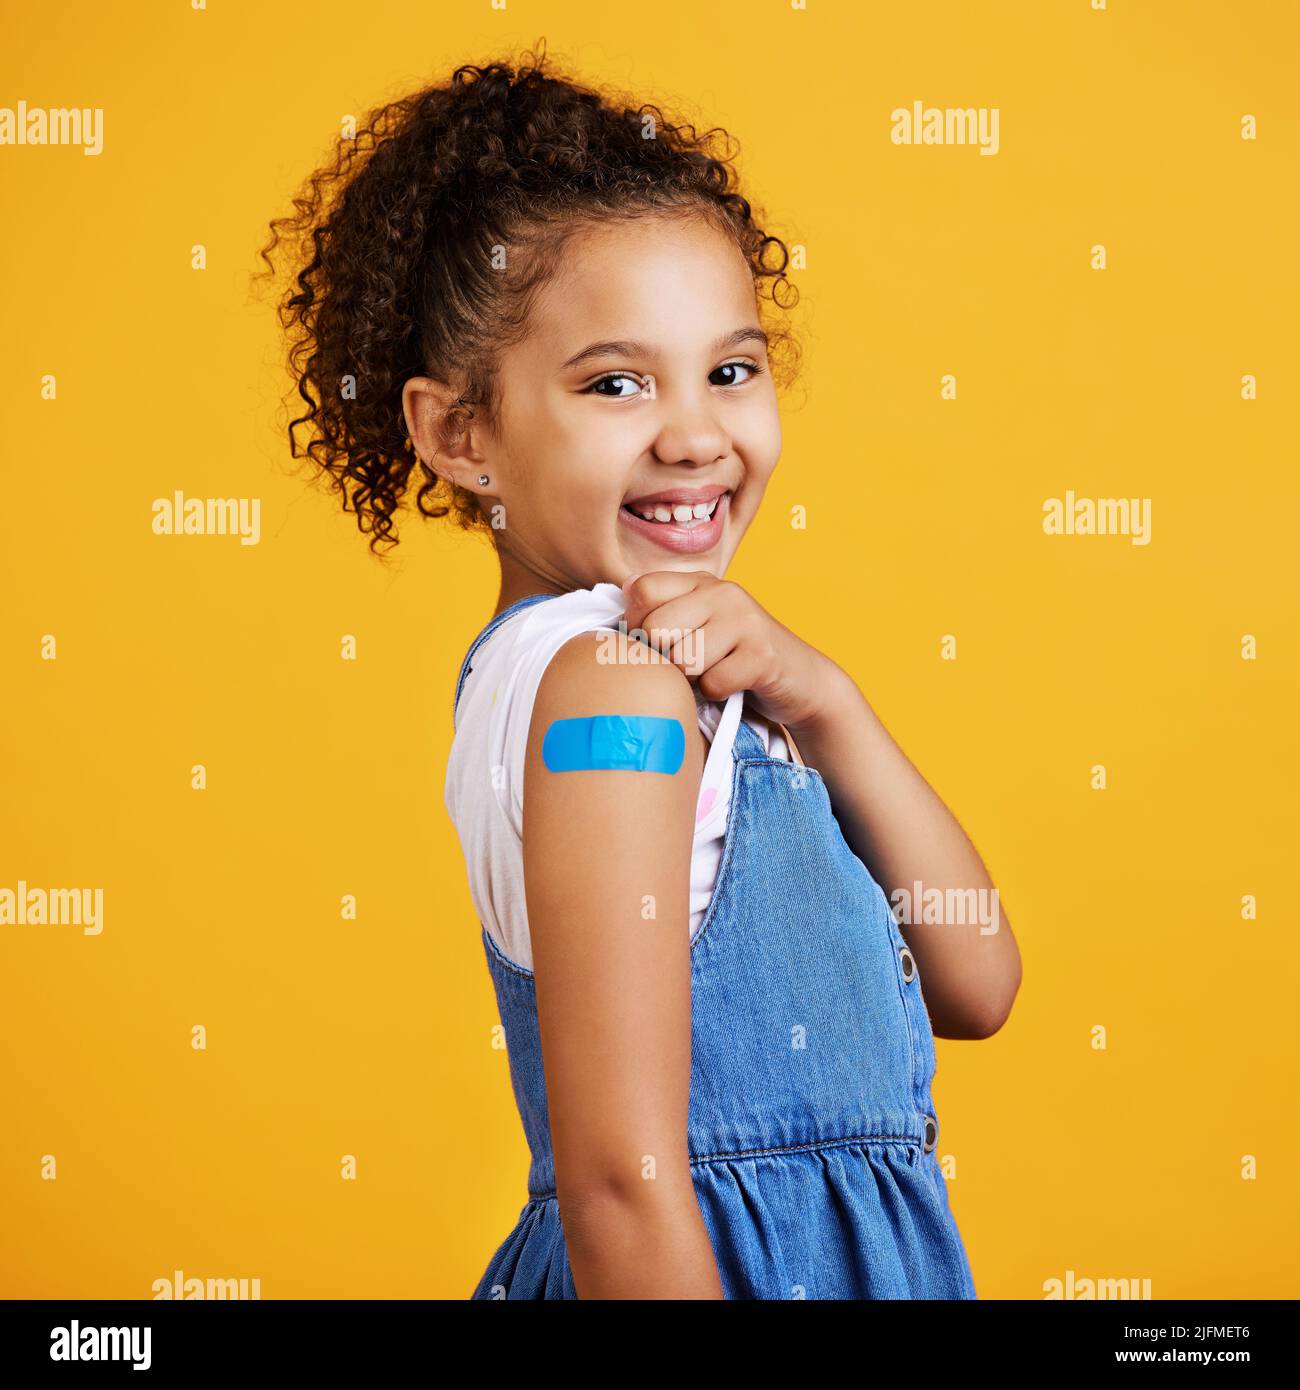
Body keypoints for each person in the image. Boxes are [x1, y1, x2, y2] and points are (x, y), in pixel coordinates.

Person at [263, 41, 1022, 1299]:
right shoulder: (609, 691)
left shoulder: (714, 681)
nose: (693, 431)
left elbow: (977, 976)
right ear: (462, 435)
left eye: (730, 369)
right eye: (615, 382)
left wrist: (822, 698)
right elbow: (622, 1181)